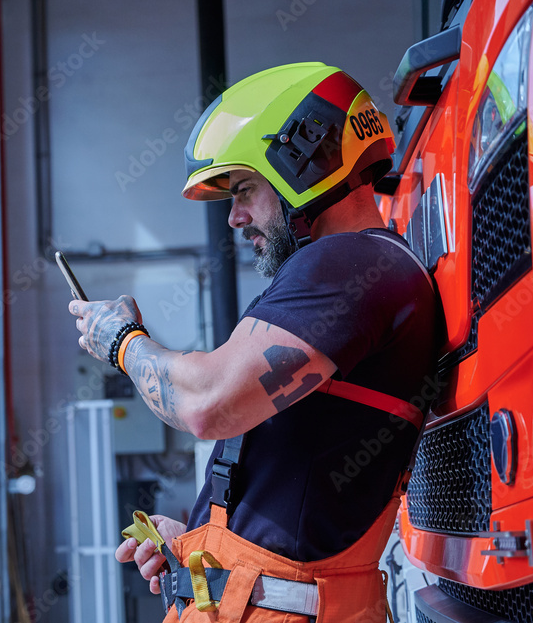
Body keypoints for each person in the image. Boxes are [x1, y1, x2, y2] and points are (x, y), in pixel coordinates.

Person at [69, 63, 442, 622]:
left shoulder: (350, 264)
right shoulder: (357, 271)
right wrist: (199, 544)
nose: (235, 218)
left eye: (243, 189)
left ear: (304, 160)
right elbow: (296, 494)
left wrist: (122, 342)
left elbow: (206, 403)